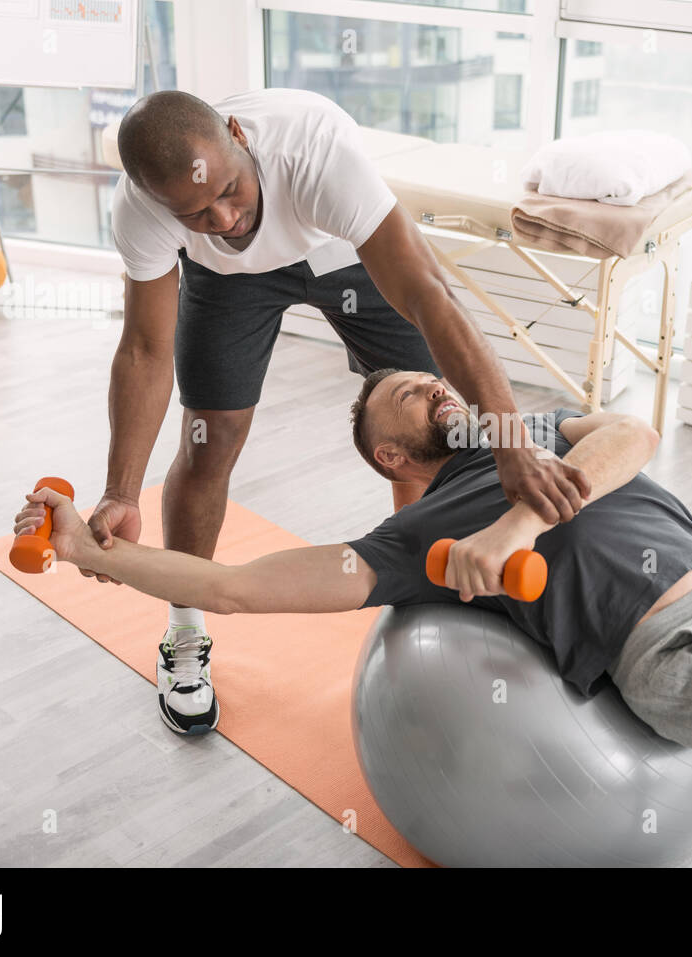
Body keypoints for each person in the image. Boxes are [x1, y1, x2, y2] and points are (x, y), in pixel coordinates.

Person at [13, 369, 692, 867]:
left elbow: (629, 430)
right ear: (390, 454)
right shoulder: (420, 536)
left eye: (430, 377)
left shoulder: (524, 438)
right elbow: (243, 588)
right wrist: (94, 552)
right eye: (406, 395)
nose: (434, 387)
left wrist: (521, 530)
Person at [100, 88, 589, 735]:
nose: (223, 218)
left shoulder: (315, 146)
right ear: (160, 203)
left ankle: (427, 603)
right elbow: (143, 348)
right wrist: (120, 489)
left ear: (240, 137)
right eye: (196, 212)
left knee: (422, 428)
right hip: (228, 283)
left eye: (230, 191)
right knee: (209, 439)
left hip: (345, 254)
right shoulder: (142, 209)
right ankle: (185, 634)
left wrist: (512, 441)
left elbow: (427, 294)